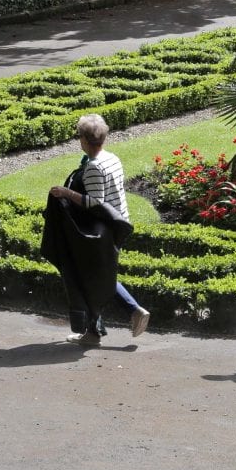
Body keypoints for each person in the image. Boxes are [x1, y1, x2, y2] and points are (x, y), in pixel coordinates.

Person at [45, 114, 151, 345]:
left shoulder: (94, 166)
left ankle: (125, 315)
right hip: (117, 223)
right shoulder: (111, 158)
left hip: (102, 230)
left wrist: (66, 193)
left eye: (79, 136)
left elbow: (95, 202)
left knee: (91, 278)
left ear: (84, 140)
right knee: (98, 275)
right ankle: (102, 328)